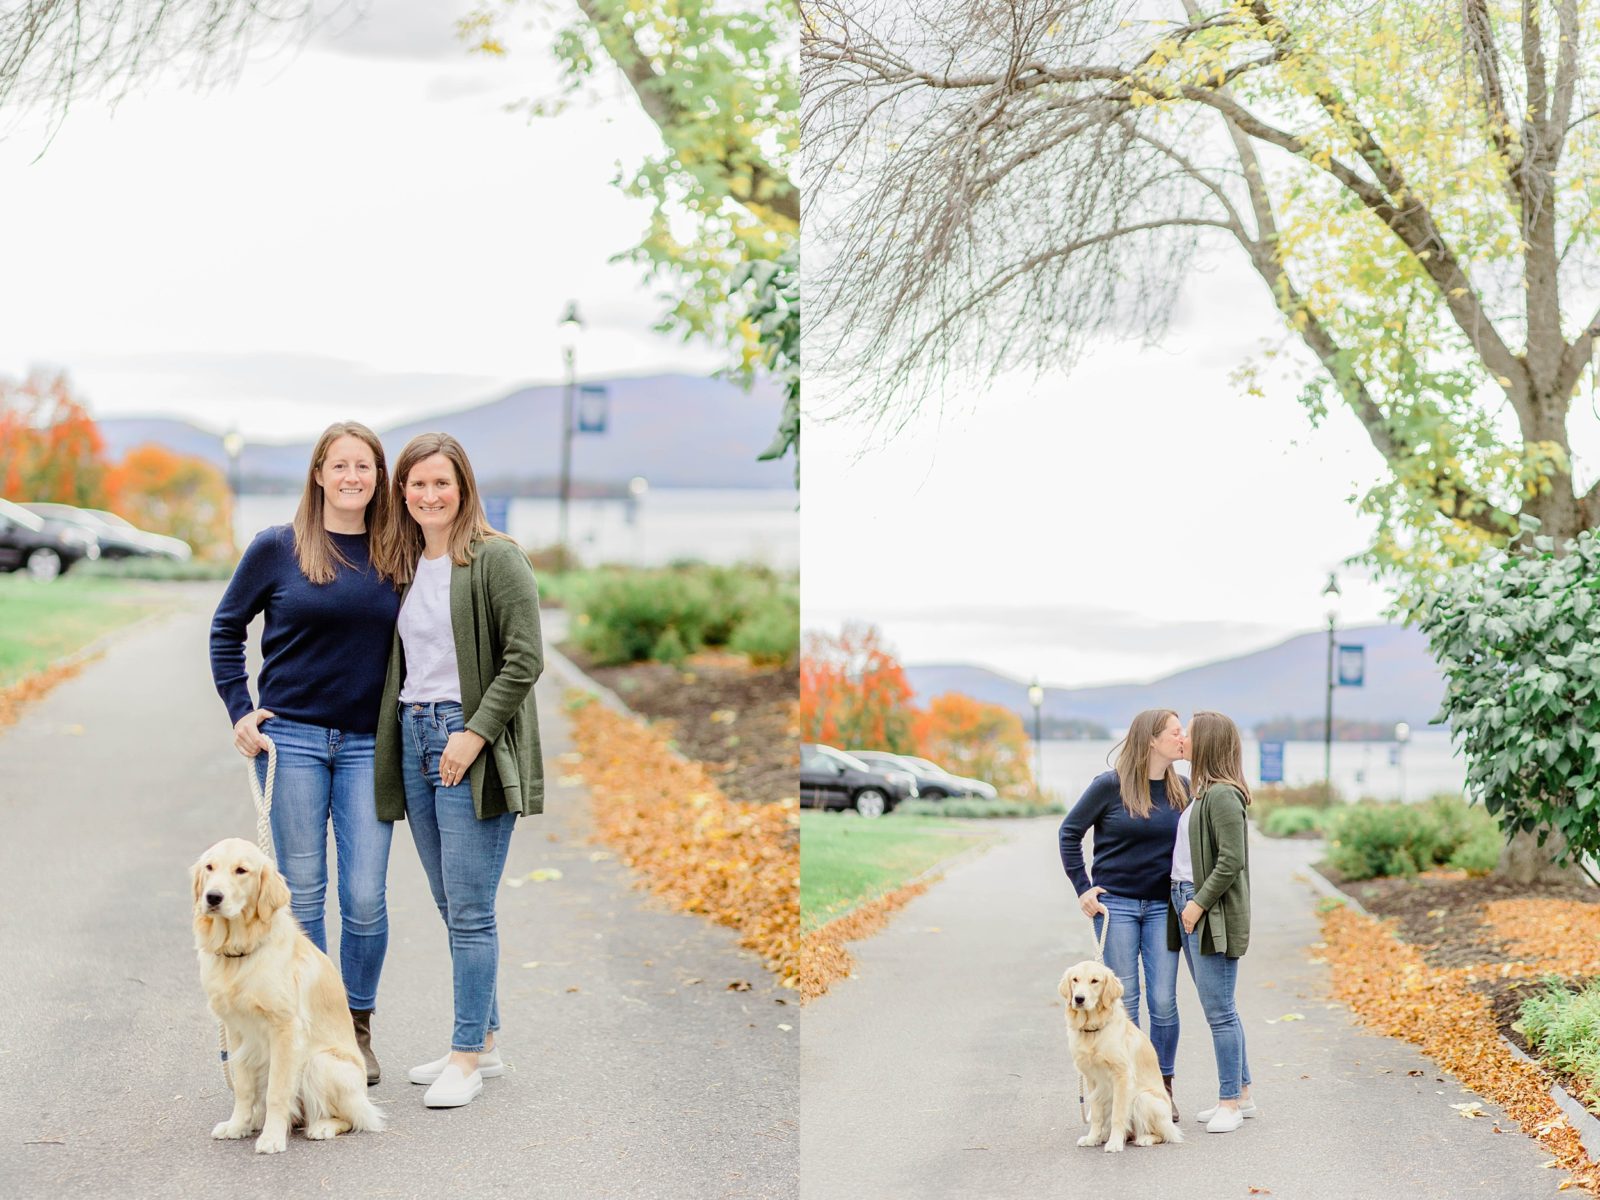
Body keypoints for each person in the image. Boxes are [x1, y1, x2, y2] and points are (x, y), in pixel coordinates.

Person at [209, 421, 400, 1085]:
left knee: (367, 898)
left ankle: (354, 1027)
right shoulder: (277, 548)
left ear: (379, 478)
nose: (352, 477)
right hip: (288, 740)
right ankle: (292, 1034)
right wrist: (240, 710)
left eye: (365, 467)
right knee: (303, 897)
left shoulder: (395, 550)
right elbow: (226, 628)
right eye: (340, 465)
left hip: (368, 746)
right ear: (318, 473)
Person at [372, 432, 544, 1109]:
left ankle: (467, 1057)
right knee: (451, 904)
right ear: (403, 493)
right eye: (416, 484)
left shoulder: (498, 559)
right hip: (415, 737)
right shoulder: (409, 562)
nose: (428, 495)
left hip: (465, 742)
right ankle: (486, 1040)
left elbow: (524, 659)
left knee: (470, 910)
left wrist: (472, 736)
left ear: (463, 486)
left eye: (440, 482)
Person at [1059, 708, 1189, 1122]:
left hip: (1162, 908)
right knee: (1123, 1000)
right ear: (1152, 739)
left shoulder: (1182, 789)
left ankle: (1160, 1087)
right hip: (1114, 906)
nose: (1182, 736)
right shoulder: (1109, 786)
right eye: (1175, 731)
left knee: (1164, 1002)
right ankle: (1116, 1091)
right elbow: (1069, 832)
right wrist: (1083, 887)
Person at [1169, 709, 1255, 1134]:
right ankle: (1242, 1093)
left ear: (1208, 743)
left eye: (1189, 734)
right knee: (1220, 1006)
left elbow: (1231, 860)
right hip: (1189, 902)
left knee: (1220, 1011)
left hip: (1207, 910)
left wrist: (1197, 904)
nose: (1181, 739)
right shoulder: (1202, 792)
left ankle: (1229, 1104)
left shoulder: (1222, 795)